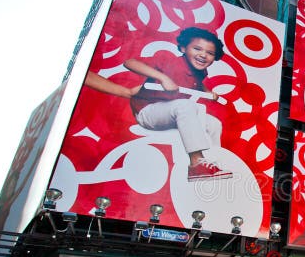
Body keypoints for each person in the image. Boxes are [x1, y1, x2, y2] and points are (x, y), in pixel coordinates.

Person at [83, 27, 230, 182]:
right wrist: (163, 78)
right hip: (148, 111)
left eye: (210, 53)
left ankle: (213, 163)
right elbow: (130, 62)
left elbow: (197, 85)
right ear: (183, 48)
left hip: (172, 113)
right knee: (186, 106)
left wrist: (209, 92)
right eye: (197, 49)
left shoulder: (200, 72)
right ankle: (197, 164)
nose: (203, 55)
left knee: (214, 124)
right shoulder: (168, 60)